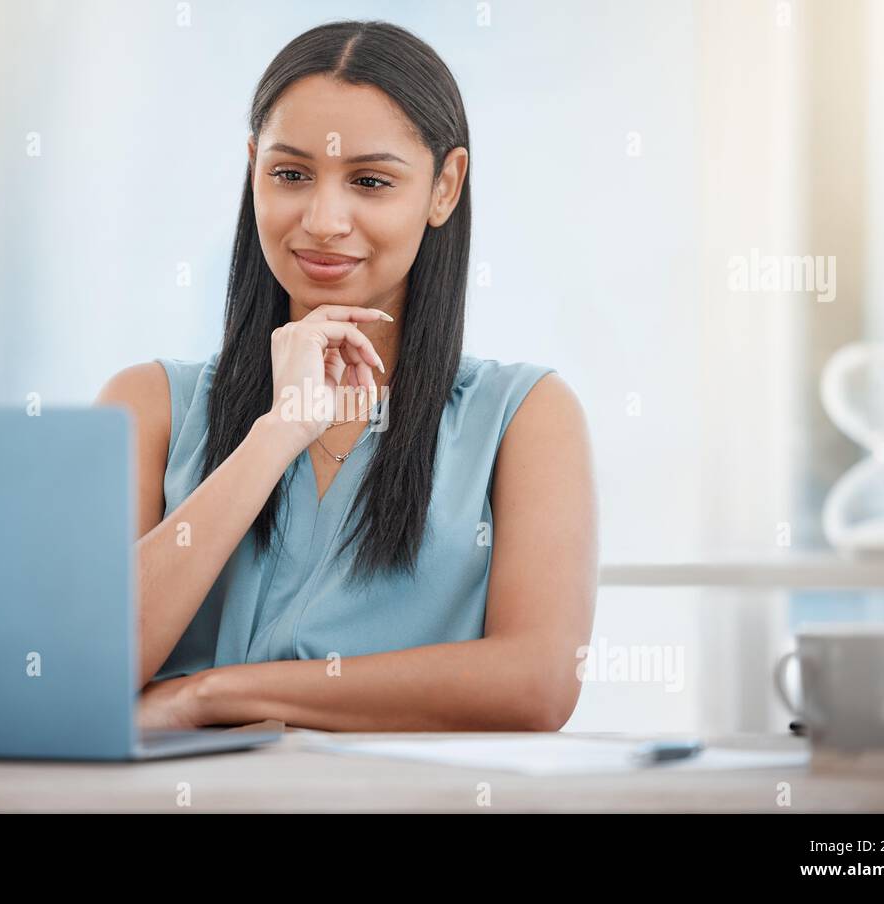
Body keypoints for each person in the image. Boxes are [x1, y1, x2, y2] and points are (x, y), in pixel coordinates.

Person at [96, 20, 597, 732]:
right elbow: (88, 663)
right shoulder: (147, 405)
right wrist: (276, 435)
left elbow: (538, 684)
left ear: (444, 187)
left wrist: (212, 694)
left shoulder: (523, 416)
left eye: (370, 181)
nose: (324, 220)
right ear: (253, 170)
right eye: (291, 174)